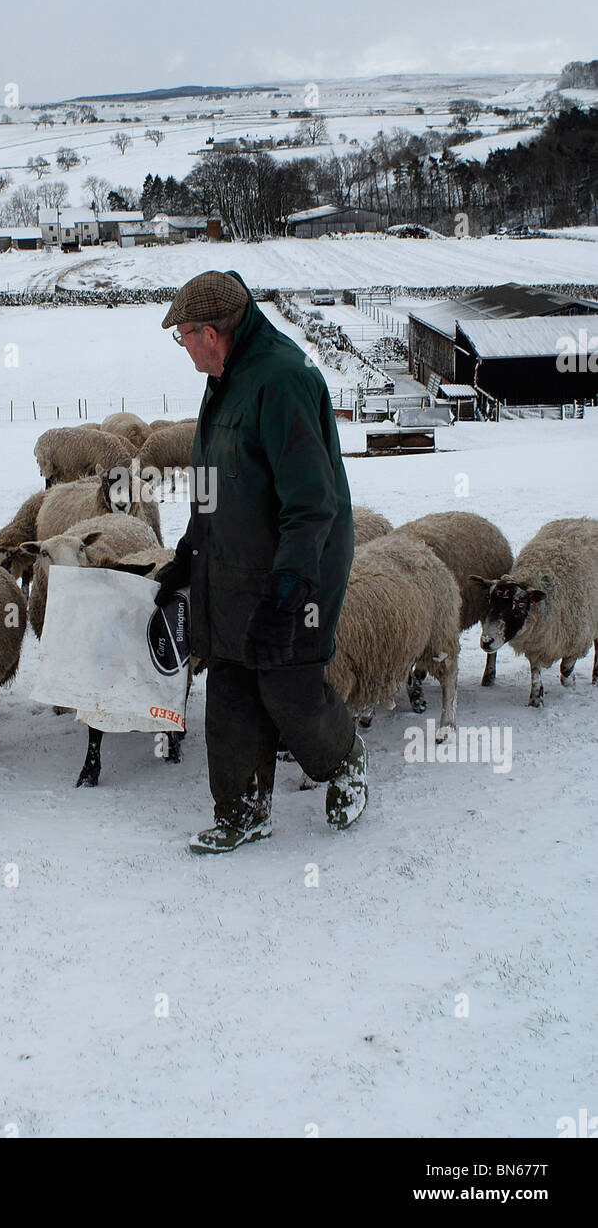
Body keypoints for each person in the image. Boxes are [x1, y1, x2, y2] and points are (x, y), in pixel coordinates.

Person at [154, 270, 367, 853]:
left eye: (183, 336)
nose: (183, 347)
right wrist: (187, 555)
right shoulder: (224, 381)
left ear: (212, 332)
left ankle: (346, 760)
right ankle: (243, 812)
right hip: (231, 568)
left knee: (290, 693)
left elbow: (312, 502)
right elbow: (213, 488)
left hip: (294, 571)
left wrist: (290, 588)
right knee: (229, 691)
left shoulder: (281, 379)